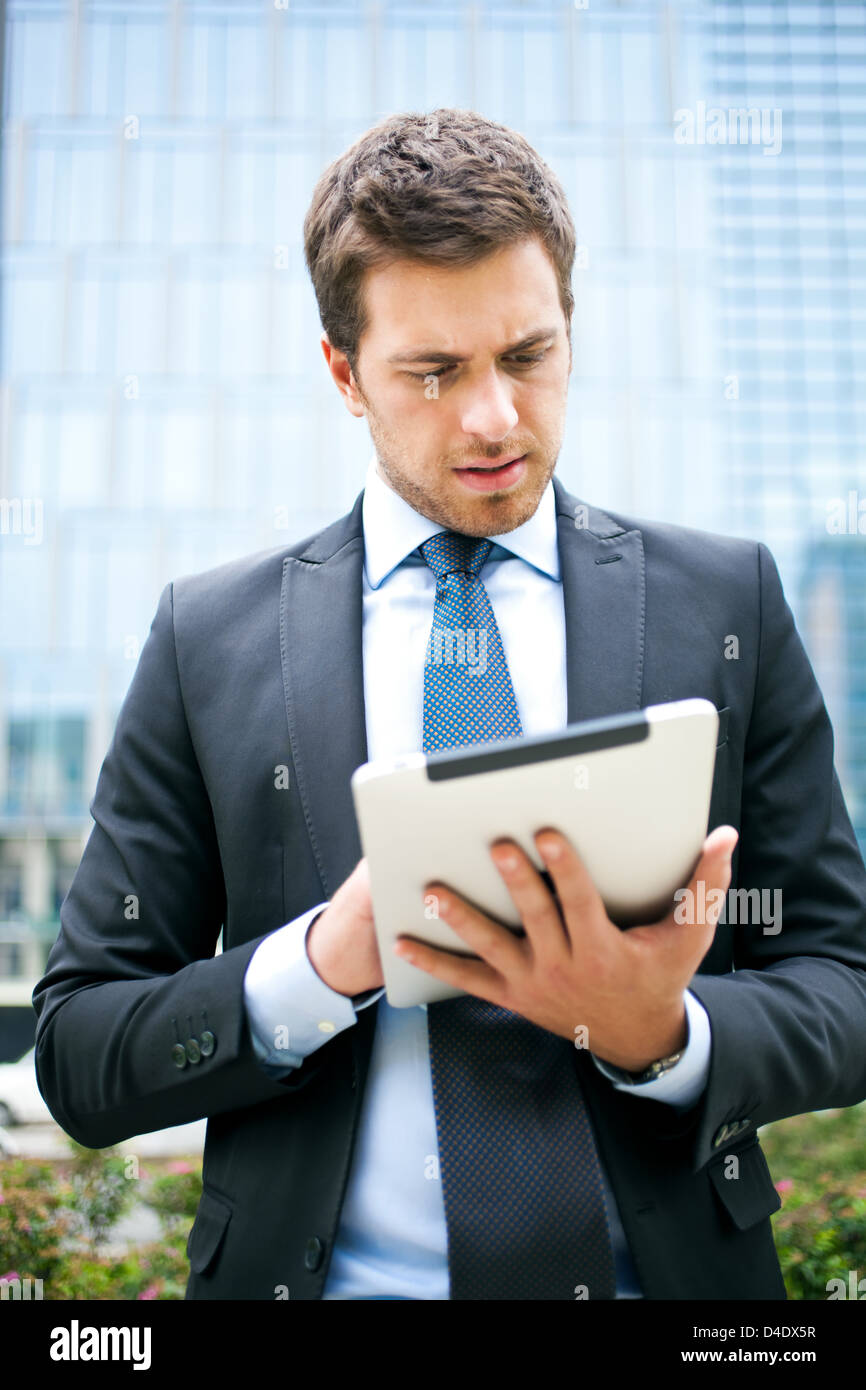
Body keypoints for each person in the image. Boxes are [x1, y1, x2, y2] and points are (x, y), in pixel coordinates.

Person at [32, 107, 866, 1301]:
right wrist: (323, 963)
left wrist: (661, 1035)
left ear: (569, 329)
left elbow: (841, 983)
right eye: (431, 371)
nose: (492, 418)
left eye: (527, 355)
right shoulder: (205, 641)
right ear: (342, 371)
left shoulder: (722, 601)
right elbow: (79, 1051)